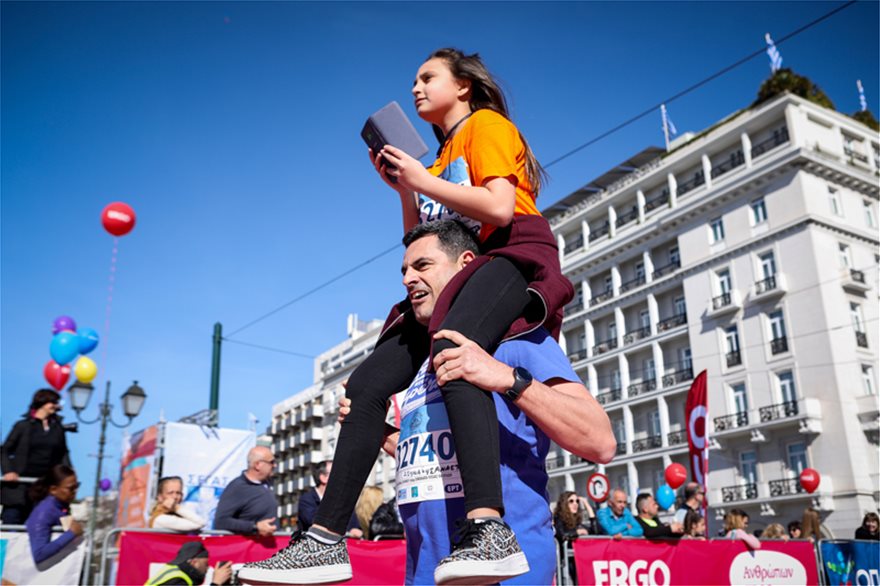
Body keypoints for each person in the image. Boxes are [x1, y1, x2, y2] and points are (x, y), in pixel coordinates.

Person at [293, 47, 574, 585]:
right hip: (460, 270)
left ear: (463, 86)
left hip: (511, 251)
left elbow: (497, 209)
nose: (417, 87)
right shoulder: (438, 162)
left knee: (454, 344)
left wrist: (420, 179)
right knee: (368, 382)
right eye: (415, 80)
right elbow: (419, 239)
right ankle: (325, 540)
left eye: (428, 77)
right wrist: (406, 186)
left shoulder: (485, 126)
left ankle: (489, 526)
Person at [238, 220, 614, 585]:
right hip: (430, 568)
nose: (407, 279)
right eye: (403, 270)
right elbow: (431, 459)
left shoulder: (519, 343)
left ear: (467, 266)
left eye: (422, 265)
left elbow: (600, 441)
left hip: (505, 572)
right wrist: (379, 430)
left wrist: (504, 378)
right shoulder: (420, 366)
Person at [1, 389, 72, 524]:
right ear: (42, 403)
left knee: (49, 522)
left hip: (45, 487)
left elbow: (64, 454)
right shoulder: (22, 426)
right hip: (19, 486)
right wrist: (8, 471)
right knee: (13, 521)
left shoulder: (58, 429)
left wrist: (68, 476)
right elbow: (4, 450)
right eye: (53, 402)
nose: (56, 406)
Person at [24, 464, 82, 564]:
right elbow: (39, 554)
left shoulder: (62, 507)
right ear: (53, 490)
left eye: (76, 486)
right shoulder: (44, 512)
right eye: (71, 488)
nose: (75, 492)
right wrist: (71, 534)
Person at [213, 446, 277, 536]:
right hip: (245, 548)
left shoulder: (268, 484)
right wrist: (255, 527)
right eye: (272, 462)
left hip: (269, 548)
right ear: (258, 465)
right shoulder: (237, 487)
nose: (275, 465)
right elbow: (221, 522)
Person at [295, 461, 361, 536]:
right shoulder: (307, 500)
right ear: (323, 478)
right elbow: (315, 523)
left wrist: (355, 531)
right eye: (337, 473)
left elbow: (354, 525)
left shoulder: (345, 501)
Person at [144, 541, 232, 585]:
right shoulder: (178, 580)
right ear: (194, 562)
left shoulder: (174, 571)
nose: (208, 568)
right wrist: (216, 583)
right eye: (205, 564)